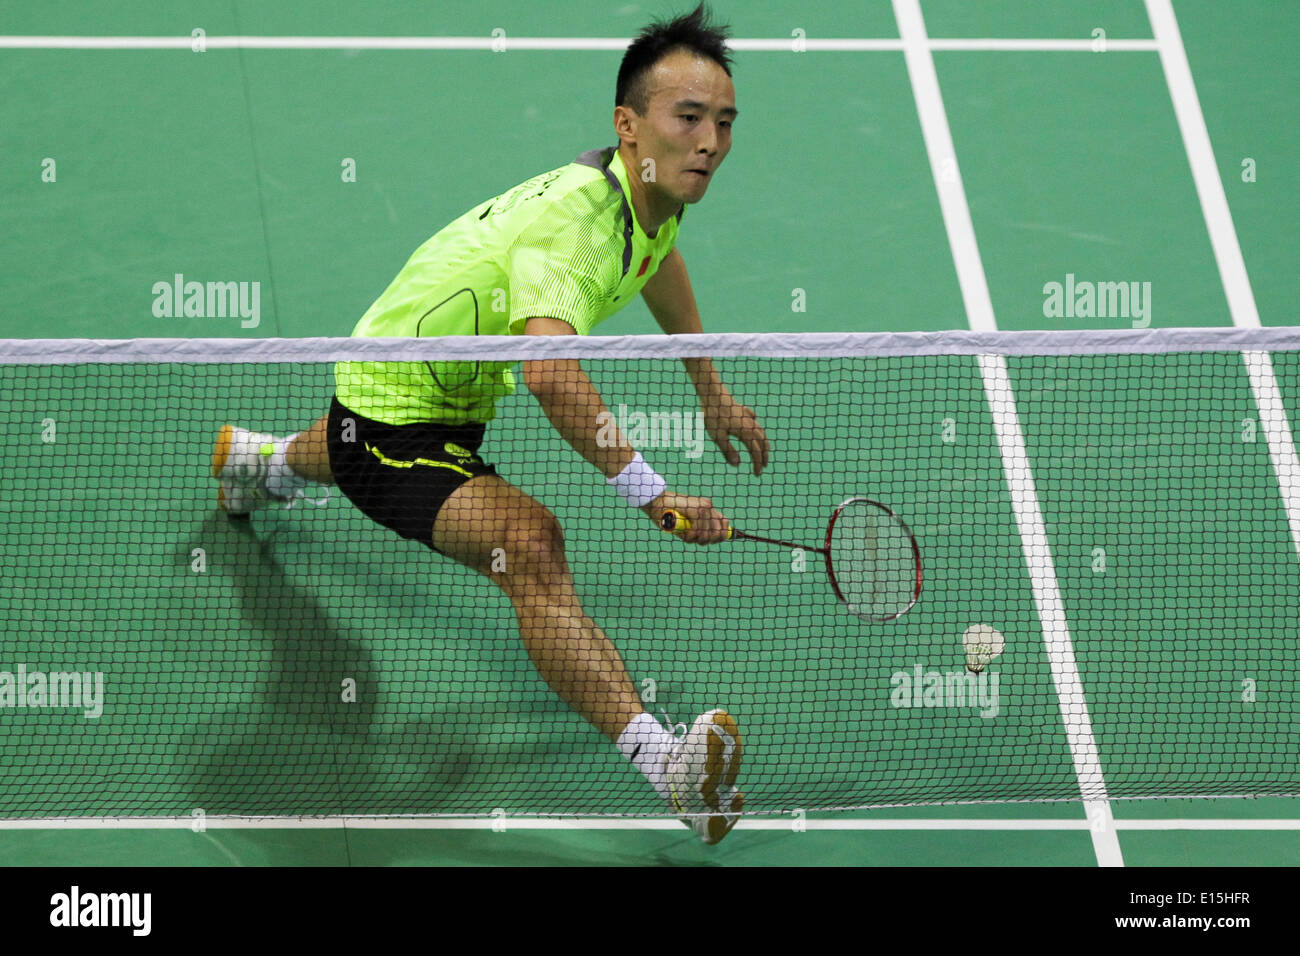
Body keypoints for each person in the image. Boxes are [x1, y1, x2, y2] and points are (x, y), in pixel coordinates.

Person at [211, 3, 768, 845]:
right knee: (531, 545)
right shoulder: (579, 224)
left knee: (354, 452)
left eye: (723, 122)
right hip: (396, 409)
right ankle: (669, 770)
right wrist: (652, 496)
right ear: (628, 125)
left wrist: (709, 388)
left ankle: (258, 464)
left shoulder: (648, 194)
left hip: (433, 382)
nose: (711, 143)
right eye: (688, 118)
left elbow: (661, 262)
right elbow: (549, 374)